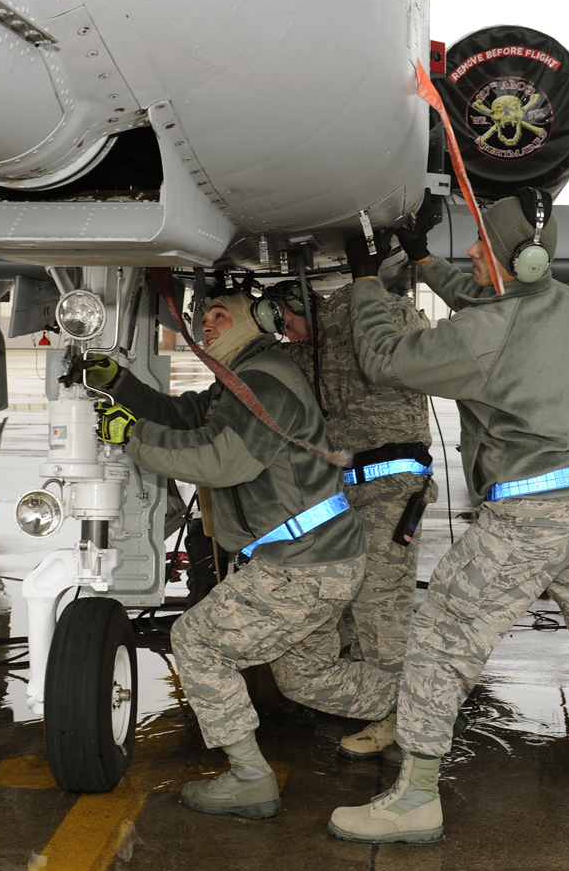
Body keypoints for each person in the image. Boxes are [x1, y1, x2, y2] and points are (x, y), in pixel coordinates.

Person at [326, 190, 569, 853]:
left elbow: (385, 359)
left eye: (482, 246)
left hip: (528, 518)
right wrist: (421, 258)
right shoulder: (559, 304)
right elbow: (488, 305)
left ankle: (415, 800)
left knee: (440, 643)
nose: (472, 252)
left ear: (520, 260)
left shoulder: (488, 333)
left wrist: (366, 283)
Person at [86, 290, 395, 820]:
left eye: (218, 316)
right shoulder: (246, 375)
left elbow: (223, 460)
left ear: (253, 321)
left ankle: (252, 778)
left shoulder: (264, 382)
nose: (205, 326)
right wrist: (123, 386)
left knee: (197, 642)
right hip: (323, 556)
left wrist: (133, 437)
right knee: (305, 676)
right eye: (200, 318)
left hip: (305, 564)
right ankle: (416, 705)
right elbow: (189, 418)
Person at [264, 277, 437, 762]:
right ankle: (375, 700)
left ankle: (407, 725)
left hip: (393, 492)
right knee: (351, 604)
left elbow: (400, 342)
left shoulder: (378, 318)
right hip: (346, 495)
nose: (289, 335)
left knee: (383, 608)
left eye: (289, 321)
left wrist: (346, 309)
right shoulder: (305, 354)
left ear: (307, 305)